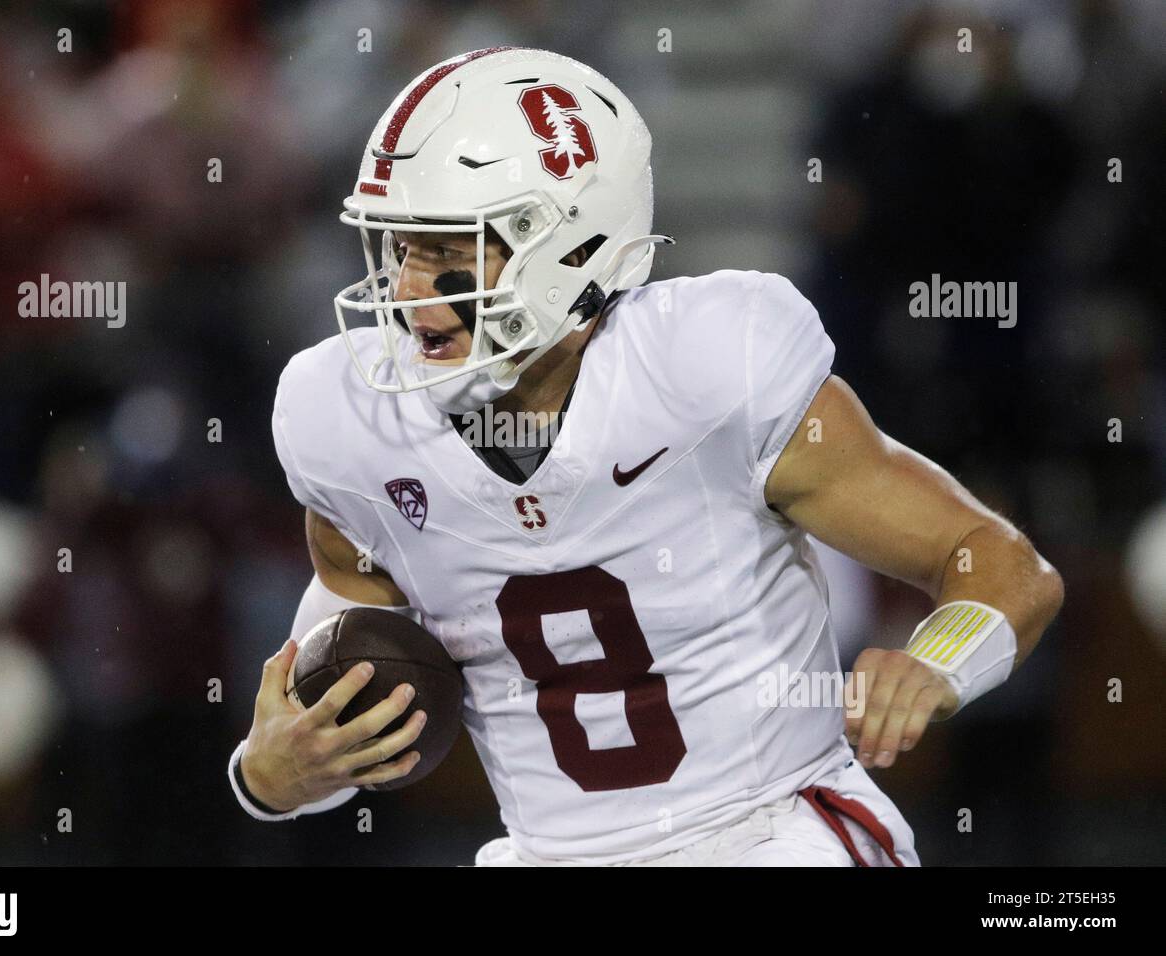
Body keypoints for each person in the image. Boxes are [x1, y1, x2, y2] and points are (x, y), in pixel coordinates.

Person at [227, 47, 1063, 866]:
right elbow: (327, 731)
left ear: (573, 247)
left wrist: (935, 662)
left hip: (771, 834)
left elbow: (1002, 564)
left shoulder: (705, 368)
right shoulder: (352, 421)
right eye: (401, 248)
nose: (409, 291)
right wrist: (269, 776)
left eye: (450, 250)